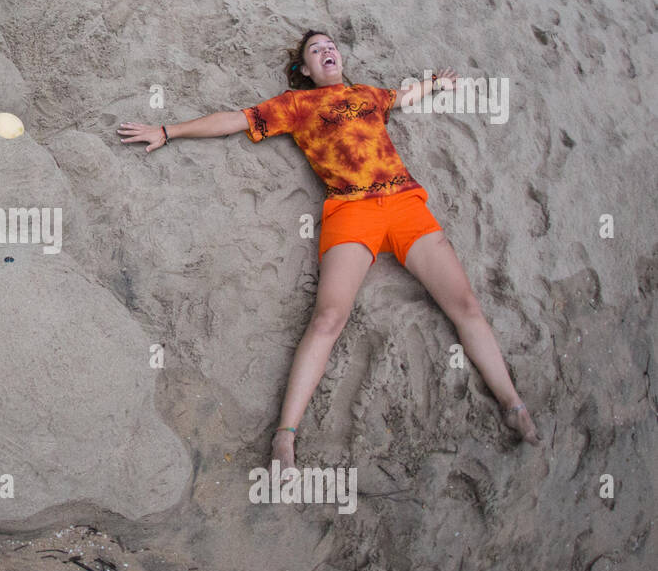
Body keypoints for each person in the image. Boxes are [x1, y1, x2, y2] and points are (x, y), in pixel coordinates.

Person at [118, 29, 540, 470]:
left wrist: (436, 84)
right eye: (315, 51)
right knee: (328, 319)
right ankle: (286, 436)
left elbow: (402, 96)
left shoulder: (368, 94)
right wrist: (168, 131)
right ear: (304, 69)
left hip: (405, 204)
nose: (326, 52)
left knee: (466, 305)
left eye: (330, 47)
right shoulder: (296, 105)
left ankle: (513, 406)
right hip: (351, 210)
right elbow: (235, 119)